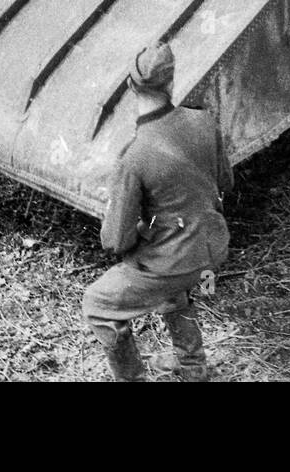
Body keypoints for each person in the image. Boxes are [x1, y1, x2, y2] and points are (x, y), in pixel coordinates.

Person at [82, 43, 233, 382]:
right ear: (171, 82)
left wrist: (141, 224)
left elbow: (115, 241)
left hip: (175, 260)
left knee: (98, 304)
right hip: (213, 247)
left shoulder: (133, 156)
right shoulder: (204, 121)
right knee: (171, 288)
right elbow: (226, 181)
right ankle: (194, 369)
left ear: (130, 87)